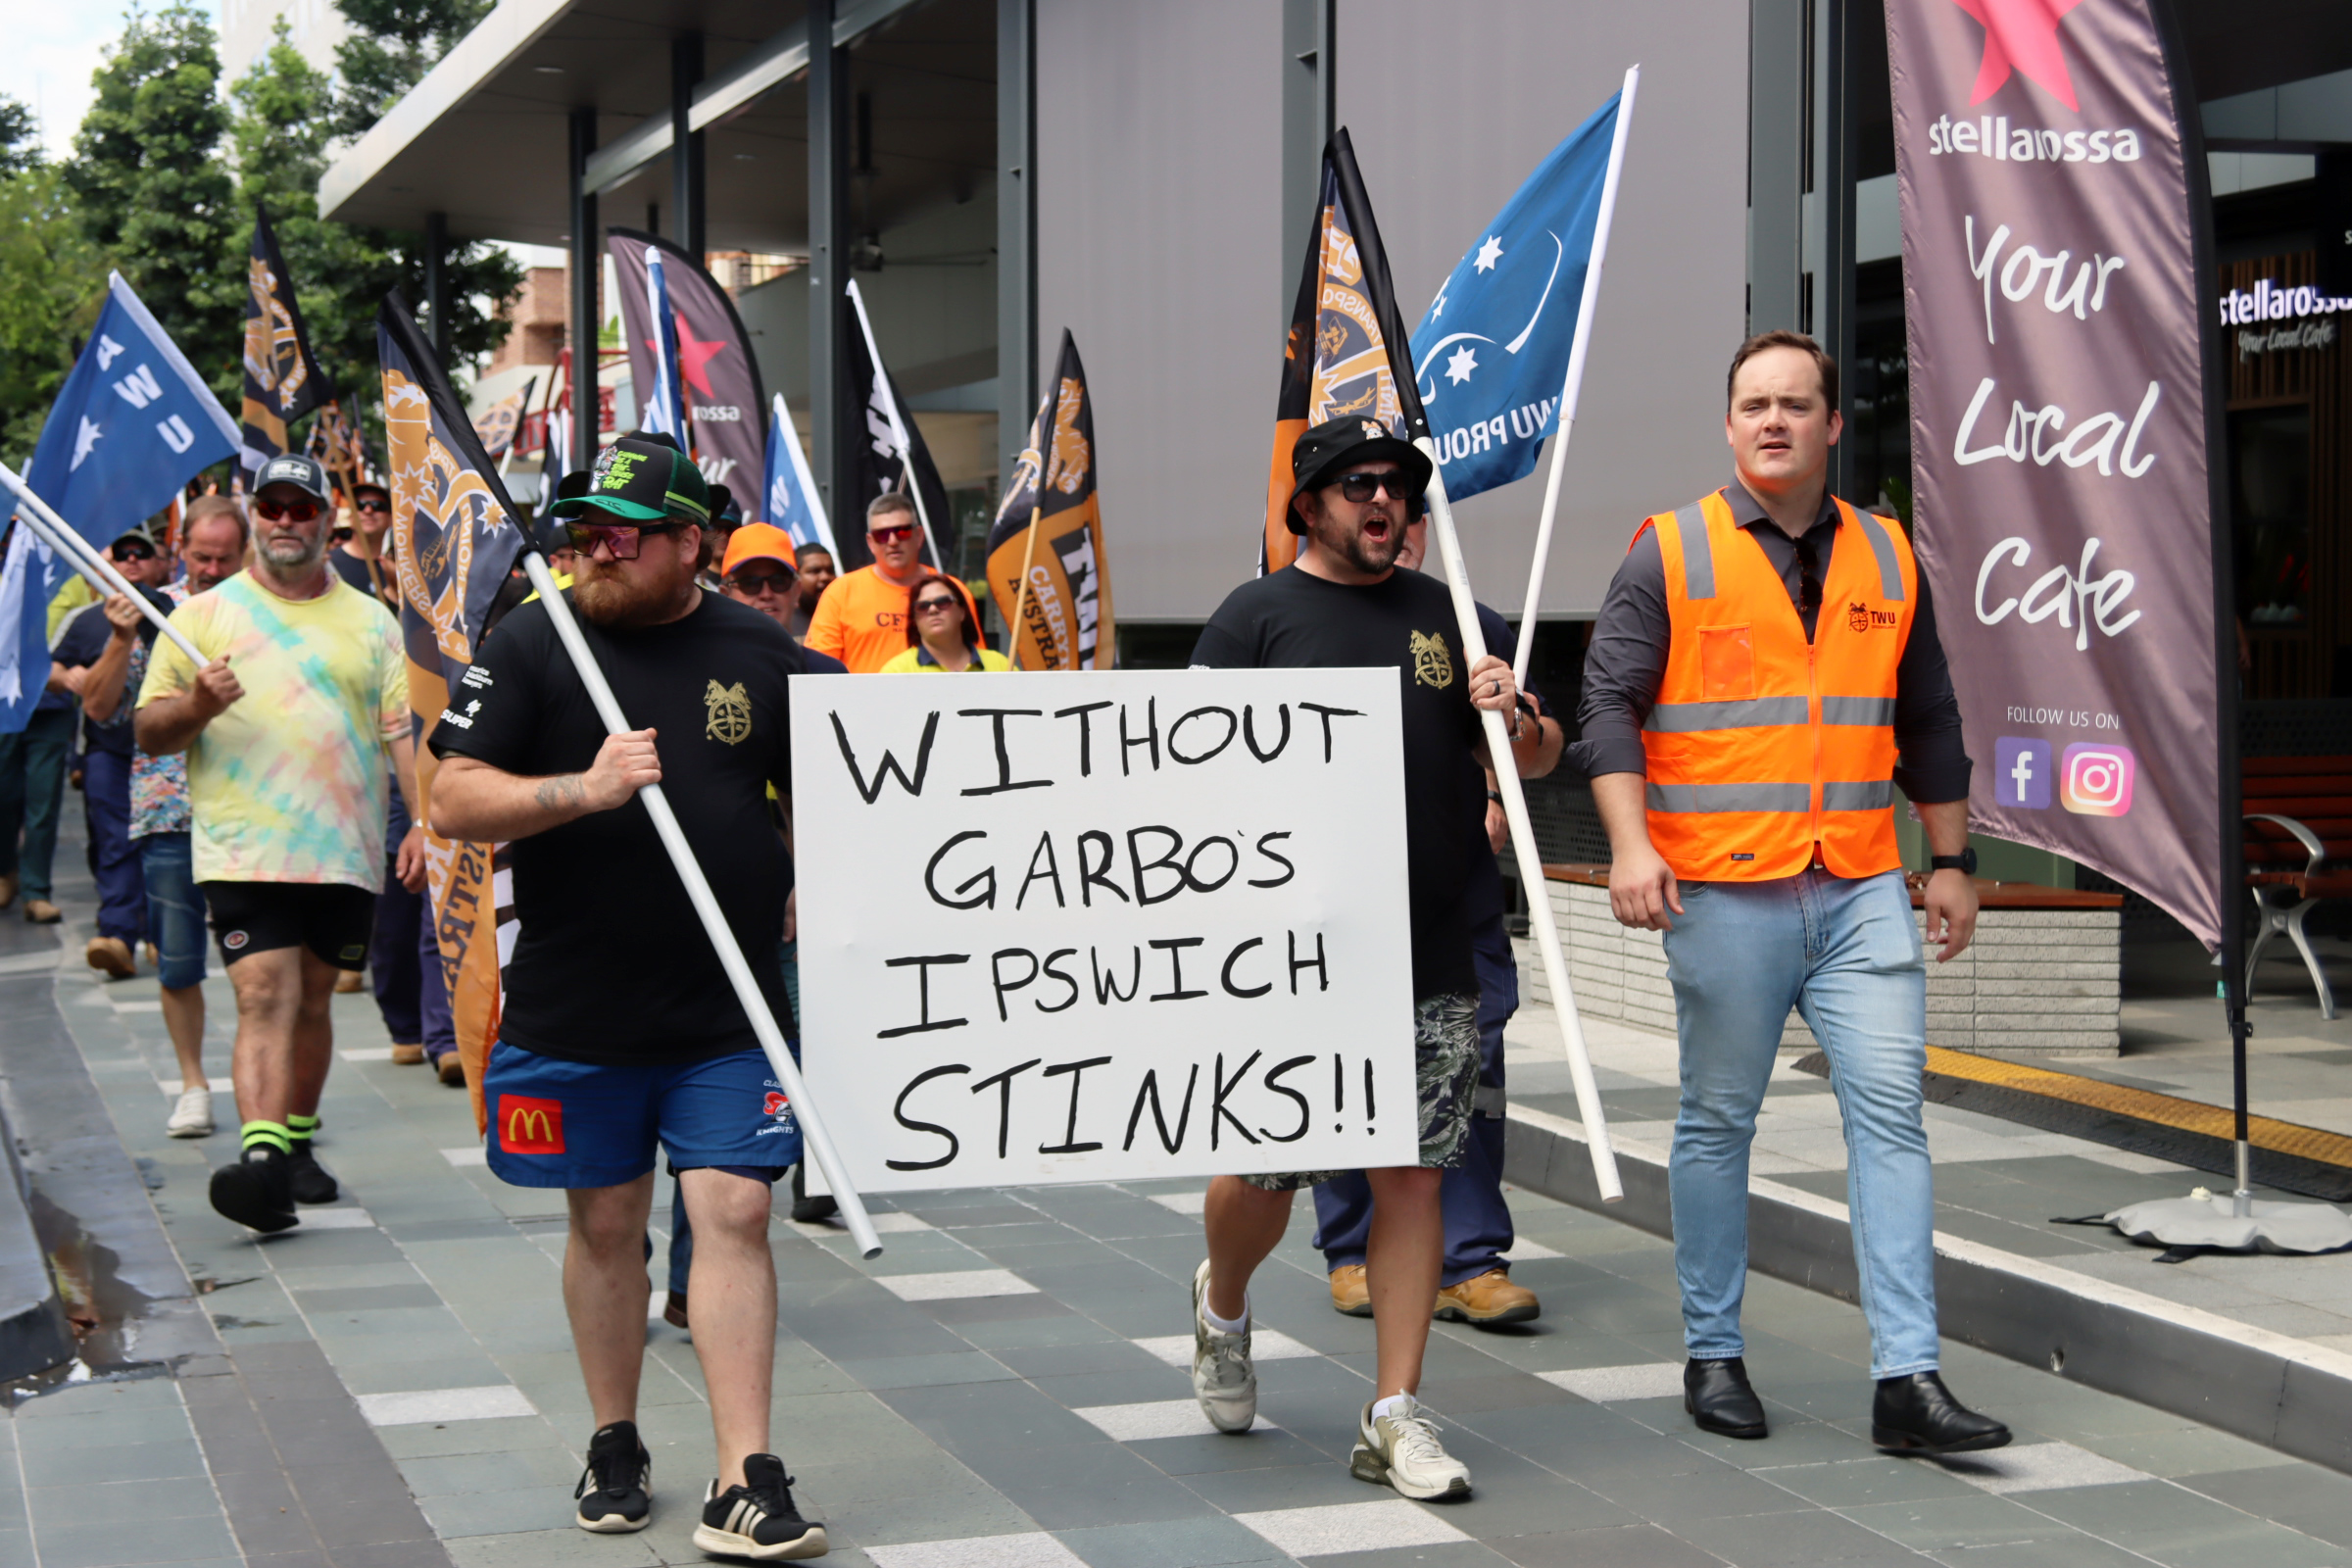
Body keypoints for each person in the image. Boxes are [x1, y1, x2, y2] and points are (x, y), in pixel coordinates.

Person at [1575, 330, 2006, 1455]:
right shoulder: (1669, 551)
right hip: (1723, 891)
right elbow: (1608, 708)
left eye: (1795, 403)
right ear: (1728, 425)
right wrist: (1629, 847)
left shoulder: (1889, 554)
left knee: (1892, 1117)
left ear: (1833, 425)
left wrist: (1952, 860)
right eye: (1754, 404)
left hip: (1860, 883)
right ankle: (1714, 1353)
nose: (1774, 419)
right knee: (1720, 1121)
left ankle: (1908, 1379)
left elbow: (1928, 715)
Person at [427, 433, 827, 1559]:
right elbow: (451, 795)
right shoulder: (535, 638)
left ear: (691, 542)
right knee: (606, 1224)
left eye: (624, 534)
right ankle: (615, 1438)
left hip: (726, 1010)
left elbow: (849, 773)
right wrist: (585, 788)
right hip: (578, 1007)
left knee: (735, 1211)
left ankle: (744, 1475)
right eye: (585, 530)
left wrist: (813, 870)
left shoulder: (760, 649)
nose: (594, 548)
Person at [1186, 416, 1545, 1501]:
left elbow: (1536, 756)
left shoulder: (1453, 616)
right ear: (1308, 505)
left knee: (1412, 1174)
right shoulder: (1252, 617)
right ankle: (1222, 1302)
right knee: (1264, 1176)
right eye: (1358, 484)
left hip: (1430, 945)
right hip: (1290, 958)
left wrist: (1515, 721)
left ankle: (1396, 1411)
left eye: (1397, 485)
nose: (1383, 499)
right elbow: (1185, 775)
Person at [135, 455, 422, 1231]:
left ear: (327, 520)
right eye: (273, 508)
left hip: (345, 847)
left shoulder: (372, 620)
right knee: (265, 994)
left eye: (301, 509)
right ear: (253, 518)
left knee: (315, 999)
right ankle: (261, 1159)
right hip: (242, 846)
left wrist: (425, 824)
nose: (286, 521)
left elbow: (400, 733)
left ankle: (293, 1144)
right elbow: (150, 731)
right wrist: (199, 702)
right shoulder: (201, 618)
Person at [1312, 511, 1562, 1329]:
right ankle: (1353, 1250)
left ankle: (1471, 1261)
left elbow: (1540, 748)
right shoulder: (1284, 617)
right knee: (1350, 1070)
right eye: (1365, 489)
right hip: (1338, 906)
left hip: (1456, 904)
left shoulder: (1470, 625)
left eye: (1411, 503)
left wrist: (1508, 737)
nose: (1393, 516)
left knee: (1471, 1074)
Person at [110, 500, 248, 1137]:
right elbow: (103, 709)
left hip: (253, 813)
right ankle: (193, 1085)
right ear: (179, 551)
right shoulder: (151, 613)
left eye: (225, 558)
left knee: (262, 964)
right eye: (200, 556)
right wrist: (119, 640)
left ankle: (262, 1082)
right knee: (179, 959)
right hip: (169, 812)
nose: (211, 569)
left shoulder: (268, 614)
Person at [51, 526, 175, 979]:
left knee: (163, 845)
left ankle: (163, 935)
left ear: (160, 564)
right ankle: (119, 935)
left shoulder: (176, 613)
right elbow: (51, 664)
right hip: (108, 750)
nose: (132, 561)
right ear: (105, 567)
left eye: (142, 553)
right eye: (122, 555)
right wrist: (67, 677)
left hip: (168, 754)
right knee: (113, 842)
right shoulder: (85, 619)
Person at [0, 524, 82, 924]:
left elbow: (87, 628)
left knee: (43, 800)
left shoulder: (69, 574)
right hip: (5, 705)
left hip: (52, 707)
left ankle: (36, 889)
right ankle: (5, 872)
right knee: (4, 795)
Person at [802, 495, 977, 673]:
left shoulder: (951, 591)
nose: (893, 541)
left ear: (919, 536)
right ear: (870, 542)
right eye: (882, 535)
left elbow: (976, 663)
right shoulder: (841, 591)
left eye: (902, 532)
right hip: (864, 692)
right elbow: (818, 669)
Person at [879, 572, 1012, 672]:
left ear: (962, 612)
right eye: (922, 606)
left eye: (943, 602)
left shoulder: (1002, 666)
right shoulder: (896, 671)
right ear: (915, 621)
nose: (933, 609)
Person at [328, 480, 399, 610]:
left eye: (378, 506)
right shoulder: (328, 564)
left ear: (391, 518)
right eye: (359, 505)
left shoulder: (402, 568)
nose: (368, 510)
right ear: (350, 516)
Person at [790, 544, 835, 640]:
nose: (825, 577)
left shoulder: (848, 616)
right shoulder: (784, 623)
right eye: (815, 571)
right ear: (796, 578)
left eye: (830, 570)